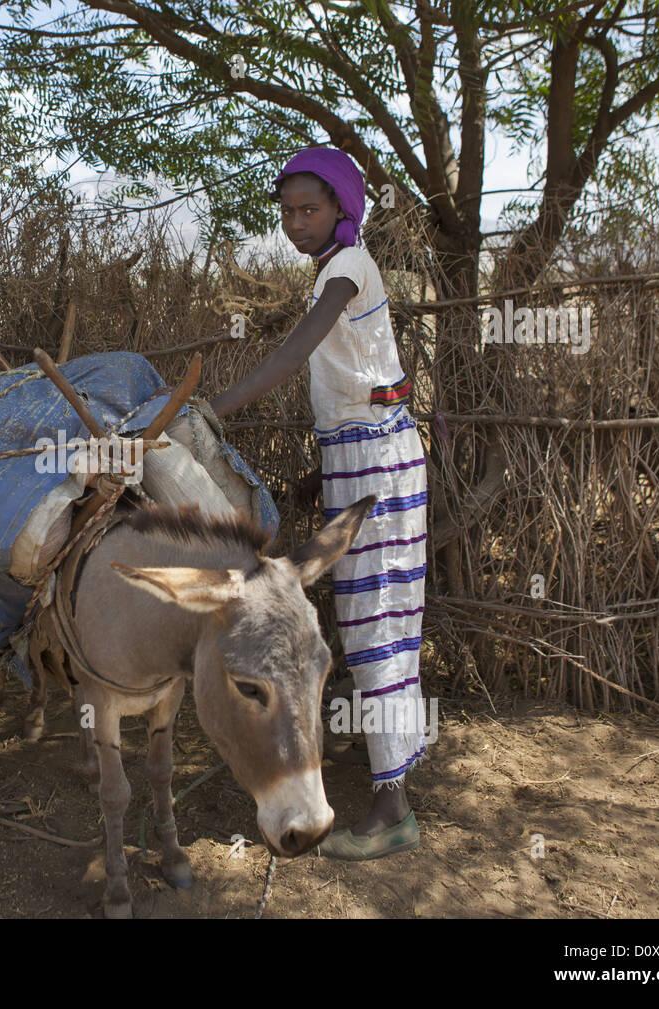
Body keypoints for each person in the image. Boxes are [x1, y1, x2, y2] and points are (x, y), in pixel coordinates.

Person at [208, 148, 428, 860]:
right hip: (360, 455)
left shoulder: (344, 268)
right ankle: (391, 775)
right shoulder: (338, 271)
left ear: (343, 208)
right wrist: (321, 471)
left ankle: (393, 808)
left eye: (310, 209)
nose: (296, 222)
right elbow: (353, 379)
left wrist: (209, 412)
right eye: (287, 212)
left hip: (378, 461)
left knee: (375, 627)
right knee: (373, 619)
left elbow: (291, 357)